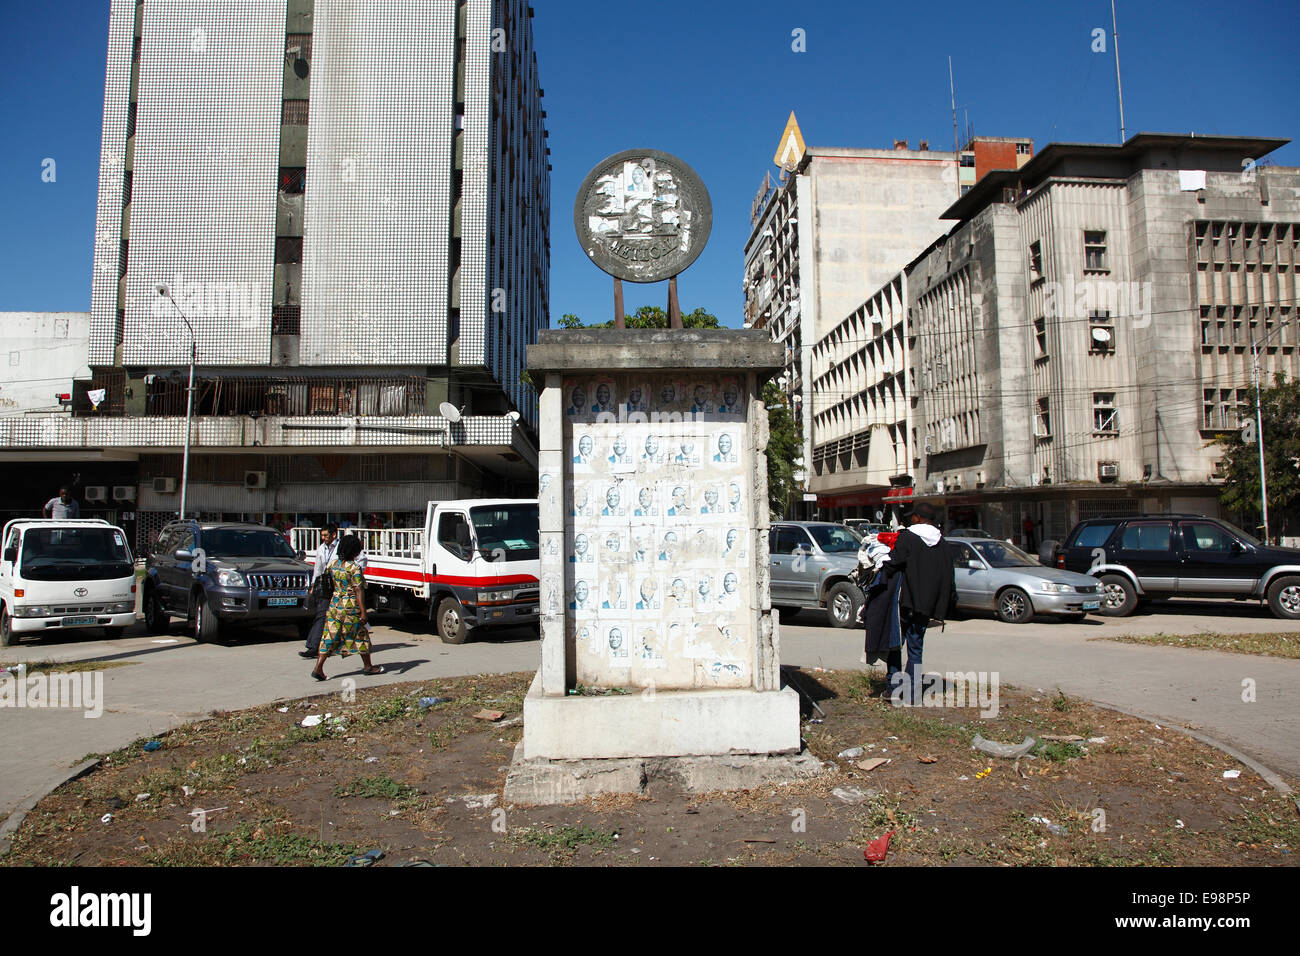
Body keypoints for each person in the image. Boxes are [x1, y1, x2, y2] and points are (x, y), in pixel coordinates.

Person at [863, 502, 955, 706]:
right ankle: (913, 694)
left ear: (919, 518)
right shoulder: (942, 543)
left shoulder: (908, 537)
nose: (911, 519)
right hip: (926, 605)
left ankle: (894, 689)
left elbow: (895, 562)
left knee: (895, 644)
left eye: (913, 516)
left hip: (904, 602)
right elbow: (948, 573)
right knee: (916, 649)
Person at [311, 534, 383, 680]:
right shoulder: (354, 568)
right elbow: (358, 590)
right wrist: (363, 611)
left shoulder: (333, 565)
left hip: (334, 605)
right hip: (350, 607)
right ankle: (368, 666)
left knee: (329, 636)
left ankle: (318, 667)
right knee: (361, 636)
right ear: (354, 550)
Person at [298, 523, 367, 659]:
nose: (323, 538)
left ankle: (321, 652)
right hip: (328, 587)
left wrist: (350, 572)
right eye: (322, 535)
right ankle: (314, 647)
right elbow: (318, 568)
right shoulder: (321, 549)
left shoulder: (345, 546)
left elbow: (362, 560)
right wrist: (313, 584)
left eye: (326, 535)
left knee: (345, 626)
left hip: (342, 592)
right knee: (322, 616)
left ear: (334, 535)